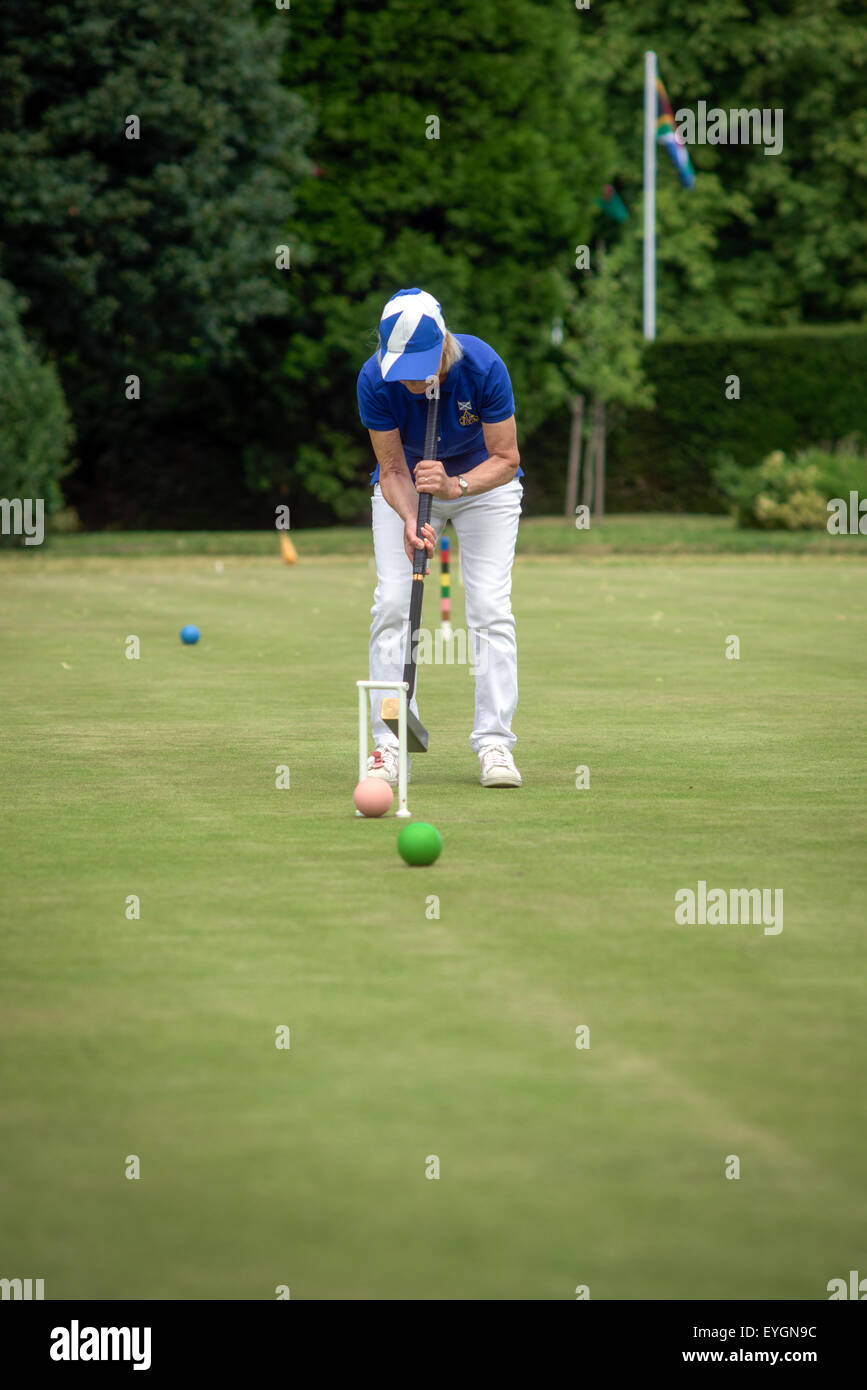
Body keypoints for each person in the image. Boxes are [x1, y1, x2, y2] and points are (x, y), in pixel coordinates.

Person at [356, 287, 523, 788]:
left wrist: (455, 486)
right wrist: (410, 519)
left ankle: (494, 743)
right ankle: (388, 742)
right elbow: (389, 467)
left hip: (482, 486)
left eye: (419, 366)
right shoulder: (374, 379)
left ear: (444, 345)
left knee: (490, 607)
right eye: (400, 366)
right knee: (391, 603)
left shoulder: (484, 366)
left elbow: (507, 458)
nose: (408, 378)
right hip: (406, 486)